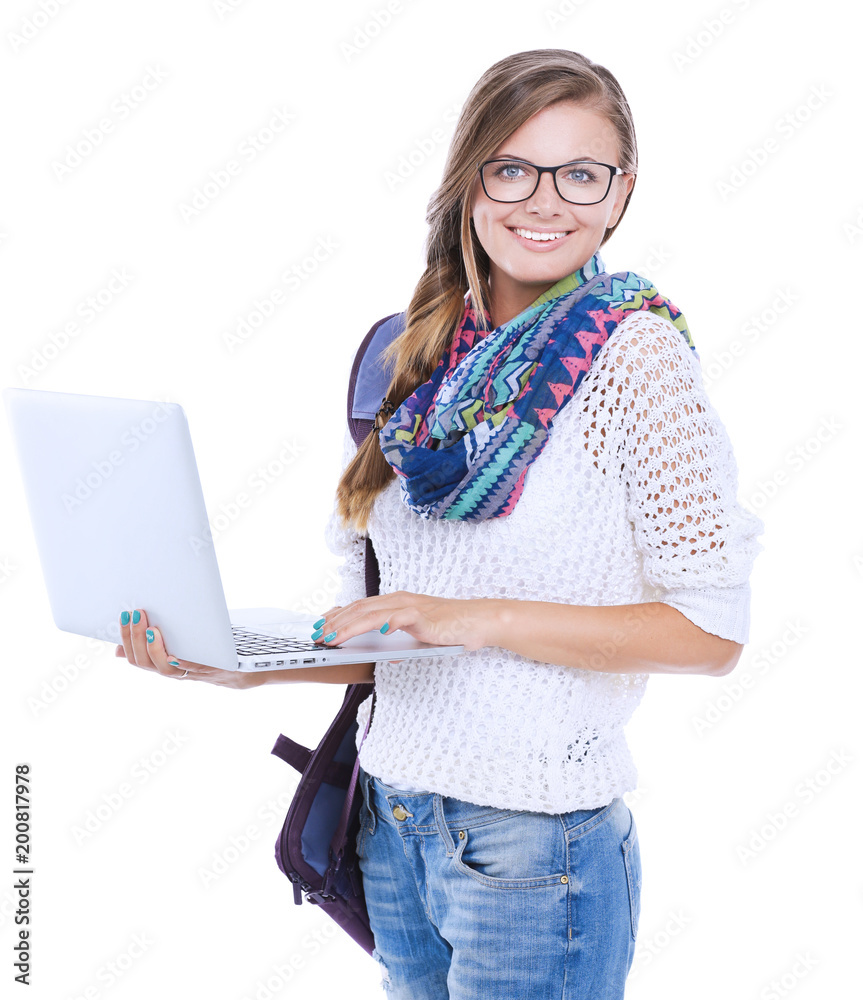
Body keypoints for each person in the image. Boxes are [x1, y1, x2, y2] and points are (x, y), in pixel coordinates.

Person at [117, 48, 765, 999]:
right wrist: (236, 663)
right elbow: (383, 627)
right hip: (392, 824)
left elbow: (711, 635)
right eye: (512, 168)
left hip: (534, 844)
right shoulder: (409, 357)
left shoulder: (639, 362)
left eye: (580, 174)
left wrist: (461, 615)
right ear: (469, 182)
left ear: (619, 193)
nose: (544, 201)